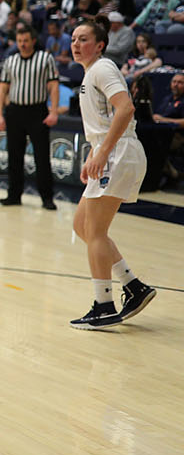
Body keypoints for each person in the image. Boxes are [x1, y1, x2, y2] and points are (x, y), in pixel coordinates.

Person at [67, 19, 156, 329]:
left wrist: (103, 151)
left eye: (84, 39)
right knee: (82, 225)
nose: (76, 44)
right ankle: (133, 286)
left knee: (94, 230)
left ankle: (104, 304)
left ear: (100, 44)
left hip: (119, 153)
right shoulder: (91, 73)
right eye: (74, 38)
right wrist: (94, 153)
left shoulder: (102, 69)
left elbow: (125, 109)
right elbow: (104, 123)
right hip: (111, 153)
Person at [0, 23, 59, 210]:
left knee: (42, 156)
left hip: (37, 111)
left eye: (26, 40)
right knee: (14, 156)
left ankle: (47, 198)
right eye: (19, 41)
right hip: (15, 111)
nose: (22, 44)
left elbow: (53, 86)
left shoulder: (45, 58)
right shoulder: (10, 61)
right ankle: (14, 195)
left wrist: (54, 111)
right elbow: (2, 90)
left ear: (33, 41)